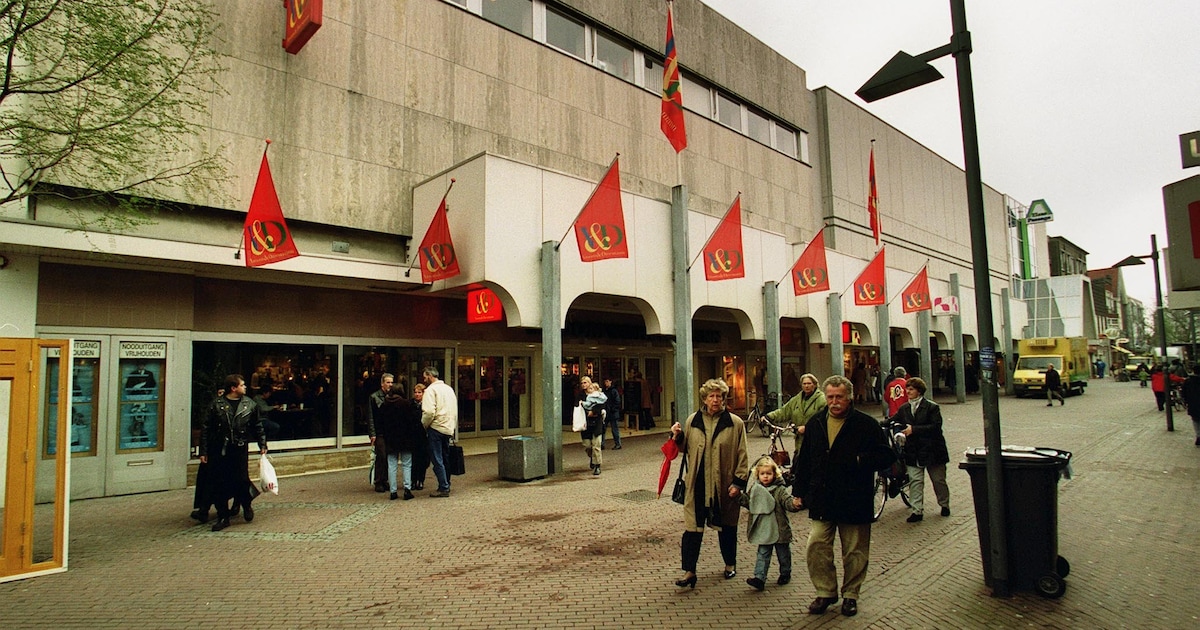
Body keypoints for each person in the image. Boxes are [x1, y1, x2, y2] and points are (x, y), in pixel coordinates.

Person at [790, 375, 895, 617]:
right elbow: (805, 460)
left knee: (855, 550)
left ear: (849, 398)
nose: (835, 402)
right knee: (816, 544)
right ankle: (825, 591)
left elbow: (886, 455)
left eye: (839, 397)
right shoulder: (816, 423)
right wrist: (798, 491)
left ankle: (851, 594)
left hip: (853, 497)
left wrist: (861, 460)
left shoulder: (866, 424)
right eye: (830, 397)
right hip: (823, 496)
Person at [670, 378, 749, 589]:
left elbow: (743, 455)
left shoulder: (735, 423)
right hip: (697, 484)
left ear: (724, 398)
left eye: (719, 396)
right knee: (692, 529)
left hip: (723, 485)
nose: (715, 400)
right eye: (711, 396)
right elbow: (683, 448)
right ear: (704, 398)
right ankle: (689, 571)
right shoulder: (692, 420)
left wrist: (738, 483)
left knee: (727, 527)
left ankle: (730, 564)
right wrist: (677, 437)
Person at [199, 374, 267, 532]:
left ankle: (246, 504)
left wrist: (262, 444)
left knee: (242, 480)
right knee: (220, 482)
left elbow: (257, 426)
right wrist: (204, 450)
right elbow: (206, 428)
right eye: (242, 385)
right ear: (233, 388)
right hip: (220, 448)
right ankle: (223, 516)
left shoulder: (249, 404)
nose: (245, 387)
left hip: (239, 447)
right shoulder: (217, 404)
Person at [891, 377, 950, 522]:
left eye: (911, 389)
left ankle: (944, 504)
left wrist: (914, 430)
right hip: (913, 450)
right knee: (915, 480)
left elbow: (935, 427)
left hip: (932, 450)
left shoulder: (932, 407)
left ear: (919, 391)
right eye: (907, 389)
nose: (908, 391)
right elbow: (894, 418)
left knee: (938, 480)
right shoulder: (904, 408)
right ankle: (917, 511)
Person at [739, 456, 796, 590]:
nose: (765, 476)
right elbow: (749, 502)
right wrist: (738, 497)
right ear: (757, 474)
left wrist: (794, 504)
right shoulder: (755, 489)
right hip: (764, 528)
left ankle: (785, 573)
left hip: (779, 528)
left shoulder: (779, 490)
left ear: (774, 474)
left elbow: (787, 501)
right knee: (763, 553)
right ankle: (759, 577)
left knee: (783, 553)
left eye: (769, 474)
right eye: (762, 474)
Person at [383, 382, 427, 500]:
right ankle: (407, 489)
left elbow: (381, 422)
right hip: (405, 438)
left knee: (391, 464)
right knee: (407, 464)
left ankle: (393, 491)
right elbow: (412, 421)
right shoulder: (406, 404)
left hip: (391, 438)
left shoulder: (385, 404)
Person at [765, 372, 825, 455]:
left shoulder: (821, 399)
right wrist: (768, 417)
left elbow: (824, 419)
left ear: (814, 385)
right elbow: (784, 411)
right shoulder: (797, 399)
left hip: (815, 442)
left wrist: (807, 428)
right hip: (799, 442)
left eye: (809, 383)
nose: (806, 386)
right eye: (804, 384)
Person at [420, 367, 458, 498]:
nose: (424, 379)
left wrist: (424, 425)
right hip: (447, 427)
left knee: (437, 458)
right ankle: (447, 482)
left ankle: (443, 487)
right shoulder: (449, 389)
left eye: (425, 377)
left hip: (436, 427)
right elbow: (454, 409)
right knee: (445, 457)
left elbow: (429, 412)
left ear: (430, 376)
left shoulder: (430, 390)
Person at [367, 374, 396, 493]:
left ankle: (385, 480)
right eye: (388, 382)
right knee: (381, 456)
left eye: (391, 382)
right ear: (382, 383)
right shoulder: (374, 397)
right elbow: (371, 417)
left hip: (389, 431)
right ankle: (378, 481)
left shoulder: (393, 396)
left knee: (389, 456)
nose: (390, 385)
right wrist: (372, 433)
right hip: (379, 432)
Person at [578, 377, 607, 476]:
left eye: (585, 382)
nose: (583, 384)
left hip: (597, 422)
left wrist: (593, 411)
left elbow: (602, 405)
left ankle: (597, 465)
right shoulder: (580, 395)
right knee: (587, 445)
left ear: (590, 383)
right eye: (582, 383)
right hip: (585, 423)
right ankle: (592, 457)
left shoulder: (597, 394)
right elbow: (576, 406)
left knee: (596, 444)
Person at [601, 376, 623, 449]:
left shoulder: (614, 391)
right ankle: (602, 444)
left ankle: (618, 444)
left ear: (610, 382)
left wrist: (612, 409)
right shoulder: (604, 391)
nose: (606, 383)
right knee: (603, 429)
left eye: (607, 381)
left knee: (614, 429)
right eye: (605, 382)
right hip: (607, 412)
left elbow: (617, 401)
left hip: (612, 412)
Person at [1181, 365, 1200, 447]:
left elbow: (1184, 393)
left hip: (1193, 404)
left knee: (1196, 420)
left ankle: (1198, 436)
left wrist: (1185, 402)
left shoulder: (1188, 381)